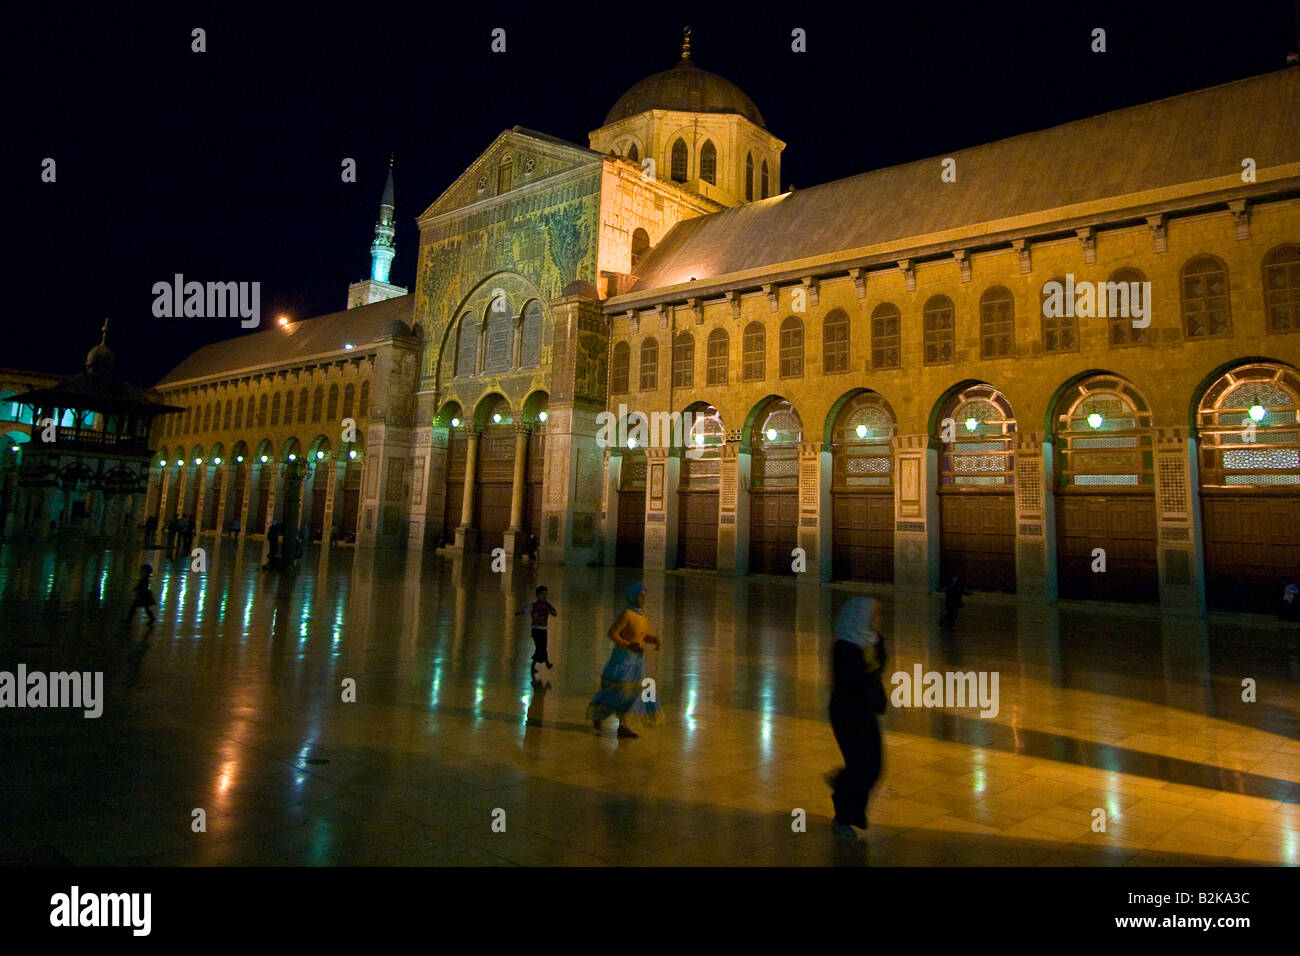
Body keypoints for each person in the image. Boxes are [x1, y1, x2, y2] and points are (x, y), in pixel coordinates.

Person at [827, 596, 887, 842]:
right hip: (847, 713)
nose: (878, 621)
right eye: (874, 616)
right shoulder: (844, 647)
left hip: (866, 711)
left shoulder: (873, 642)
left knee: (874, 766)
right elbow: (851, 682)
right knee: (862, 767)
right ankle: (843, 816)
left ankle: (842, 782)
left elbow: (878, 668)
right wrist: (870, 668)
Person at [587, 582, 661, 738]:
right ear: (632, 596)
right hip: (623, 661)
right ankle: (599, 714)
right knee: (620, 692)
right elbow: (612, 634)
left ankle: (624, 725)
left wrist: (654, 640)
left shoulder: (642, 616)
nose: (643, 599)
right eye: (640, 596)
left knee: (634, 693)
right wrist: (628, 645)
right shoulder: (626, 615)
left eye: (644, 596)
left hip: (637, 661)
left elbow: (642, 635)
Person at [518, 585, 558, 674]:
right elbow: (525, 611)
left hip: (544, 630)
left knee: (542, 647)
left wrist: (550, 609)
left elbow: (555, 613)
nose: (544, 596)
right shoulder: (534, 605)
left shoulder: (547, 605)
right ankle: (540, 664)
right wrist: (518, 613)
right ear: (537, 595)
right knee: (540, 647)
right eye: (542, 594)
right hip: (536, 630)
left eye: (545, 594)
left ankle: (541, 664)